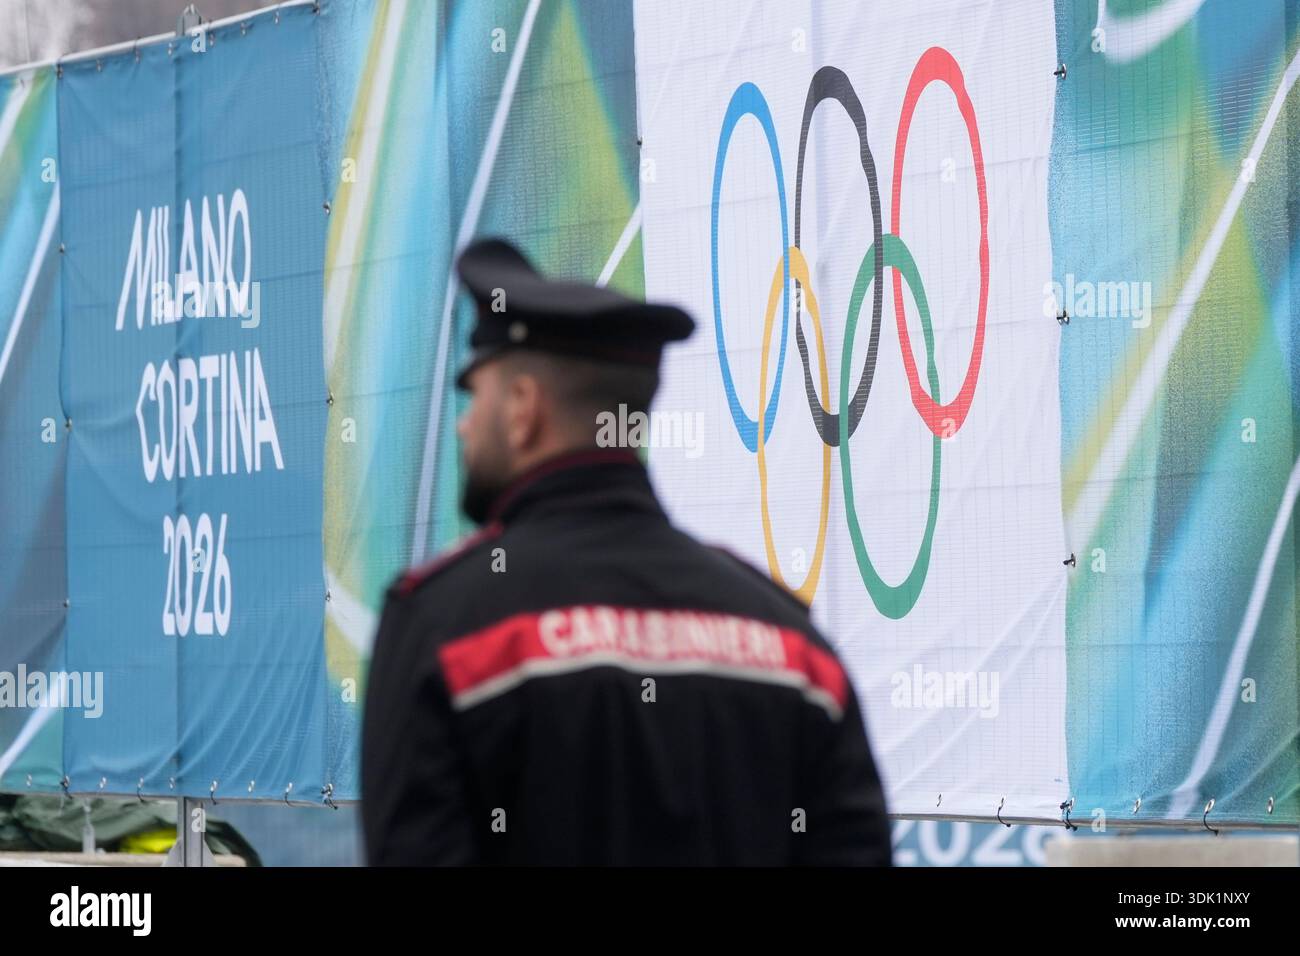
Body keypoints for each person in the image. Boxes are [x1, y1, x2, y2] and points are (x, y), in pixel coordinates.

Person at [361, 238, 891, 865]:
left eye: (476, 396)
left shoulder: (444, 631)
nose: (463, 424)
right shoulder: (791, 647)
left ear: (524, 411)